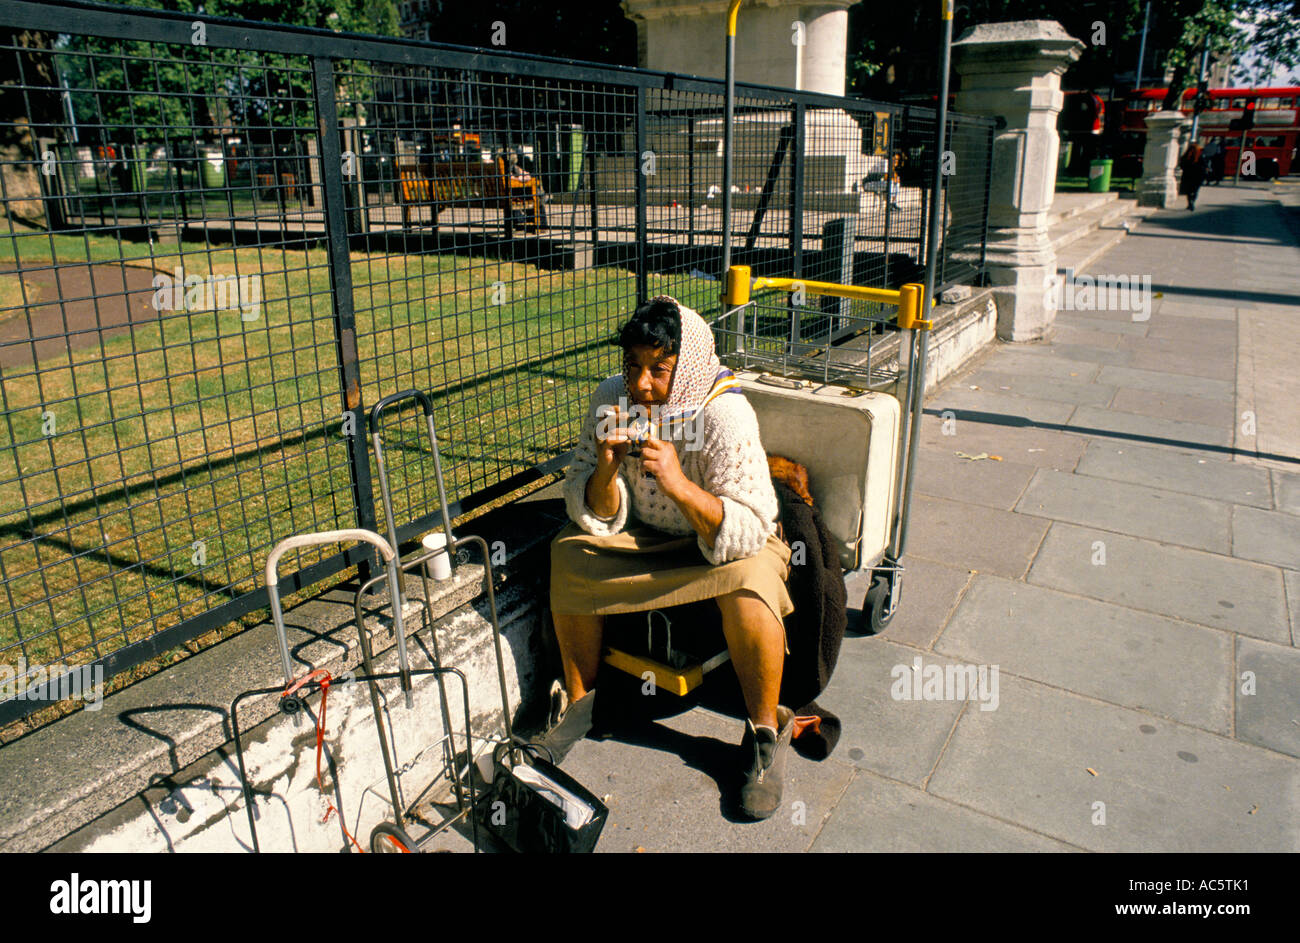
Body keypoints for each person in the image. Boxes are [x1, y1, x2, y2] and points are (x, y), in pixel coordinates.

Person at [544, 295, 796, 820]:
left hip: (726, 541)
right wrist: (606, 470)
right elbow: (583, 502)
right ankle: (578, 702)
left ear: (685, 371)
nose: (640, 384)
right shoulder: (611, 399)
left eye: (659, 370)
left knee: (753, 582)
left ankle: (765, 737)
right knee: (569, 553)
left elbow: (751, 525)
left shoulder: (724, 411)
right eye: (633, 366)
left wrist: (679, 483)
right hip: (645, 540)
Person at [1178, 142, 1206, 210]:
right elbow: (1204, 165)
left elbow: (1181, 165)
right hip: (1198, 176)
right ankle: (1192, 201)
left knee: (1188, 191)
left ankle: (1189, 203)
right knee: (1195, 190)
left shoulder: (1186, 155)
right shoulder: (1200, 155)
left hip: (1188, 175)